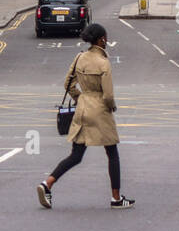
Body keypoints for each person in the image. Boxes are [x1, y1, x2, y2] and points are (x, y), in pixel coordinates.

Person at [36, 23, 134, 210]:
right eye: (105, 38)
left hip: (82, 109)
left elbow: (68, 83)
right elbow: (108, 95)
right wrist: (111, 107)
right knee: (112, 153)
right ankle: (116, 198)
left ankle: (47, 183)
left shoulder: (80, 57)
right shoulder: (104, 63)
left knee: (76, 155)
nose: (106, 41)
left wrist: (80, 98)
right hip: (100, 110)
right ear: (101, 40)